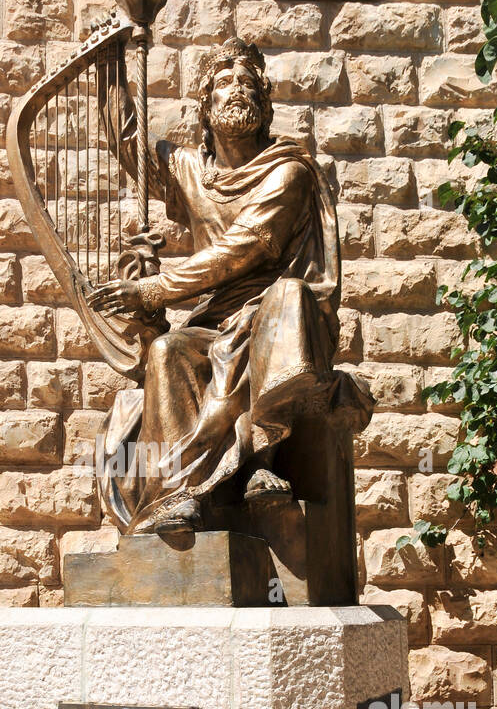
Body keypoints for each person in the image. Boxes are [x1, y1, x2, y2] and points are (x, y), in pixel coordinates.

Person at [88, 36, 372, 537]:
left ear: (264, 106)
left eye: (247, 83)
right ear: (207, 106)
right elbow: (127, 142)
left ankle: (259, 458)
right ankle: (182, 496)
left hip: (276, 319)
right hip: (213, 321)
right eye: (223, 83)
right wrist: (109, 64)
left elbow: (244, 249)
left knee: (285, 301)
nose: (236, 91)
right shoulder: (190, 169)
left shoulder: (288, 171)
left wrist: (156, 290)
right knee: (169, 350)